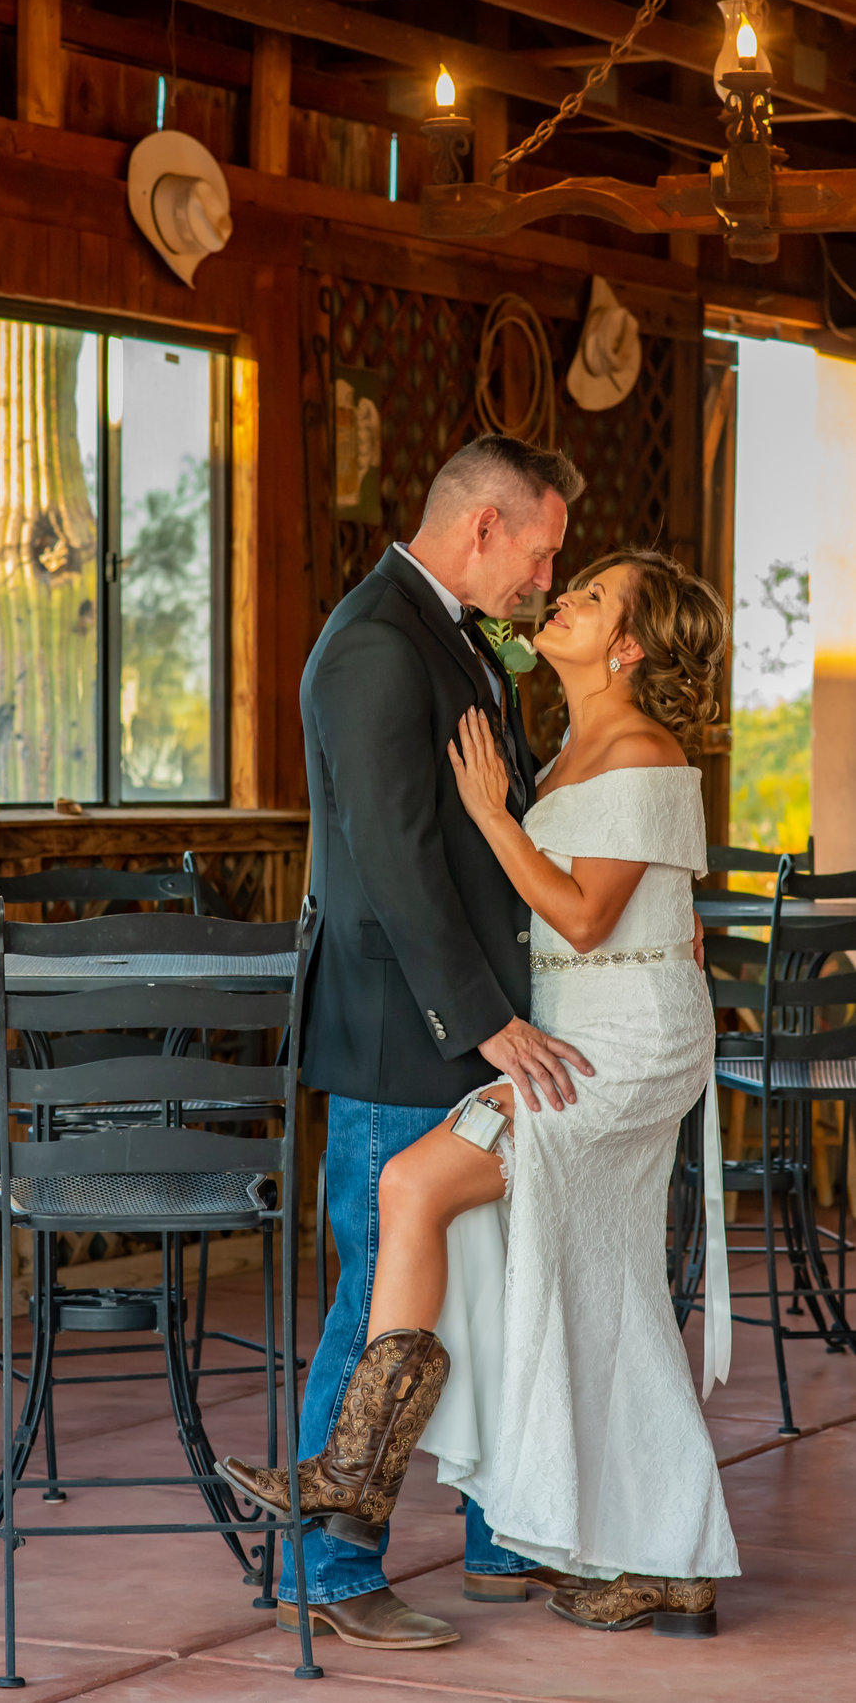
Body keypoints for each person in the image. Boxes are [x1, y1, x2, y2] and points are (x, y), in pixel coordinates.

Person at [222, 547, 739, 1638]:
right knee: (603, 1293)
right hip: (576, 1030)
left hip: (622, 1045)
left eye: (590, 595)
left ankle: (354, 1473)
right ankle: (673, 1555)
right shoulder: (565, 743)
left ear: (628, 647)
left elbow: (585, 916)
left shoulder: (641, 746)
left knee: (417, 1187)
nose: (563, 594)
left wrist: (494, 814)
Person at [218, 435, 592, 1653]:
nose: (546, 577)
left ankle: (499, 1534)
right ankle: (327, 1566)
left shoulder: (452, 633)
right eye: (542, 551)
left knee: (486, 1280)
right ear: (485, 526)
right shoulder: (378, 640)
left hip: (466, 1021)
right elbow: (394, 859)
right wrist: (482, 1016)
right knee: (377, 1293)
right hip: (402, 1029)